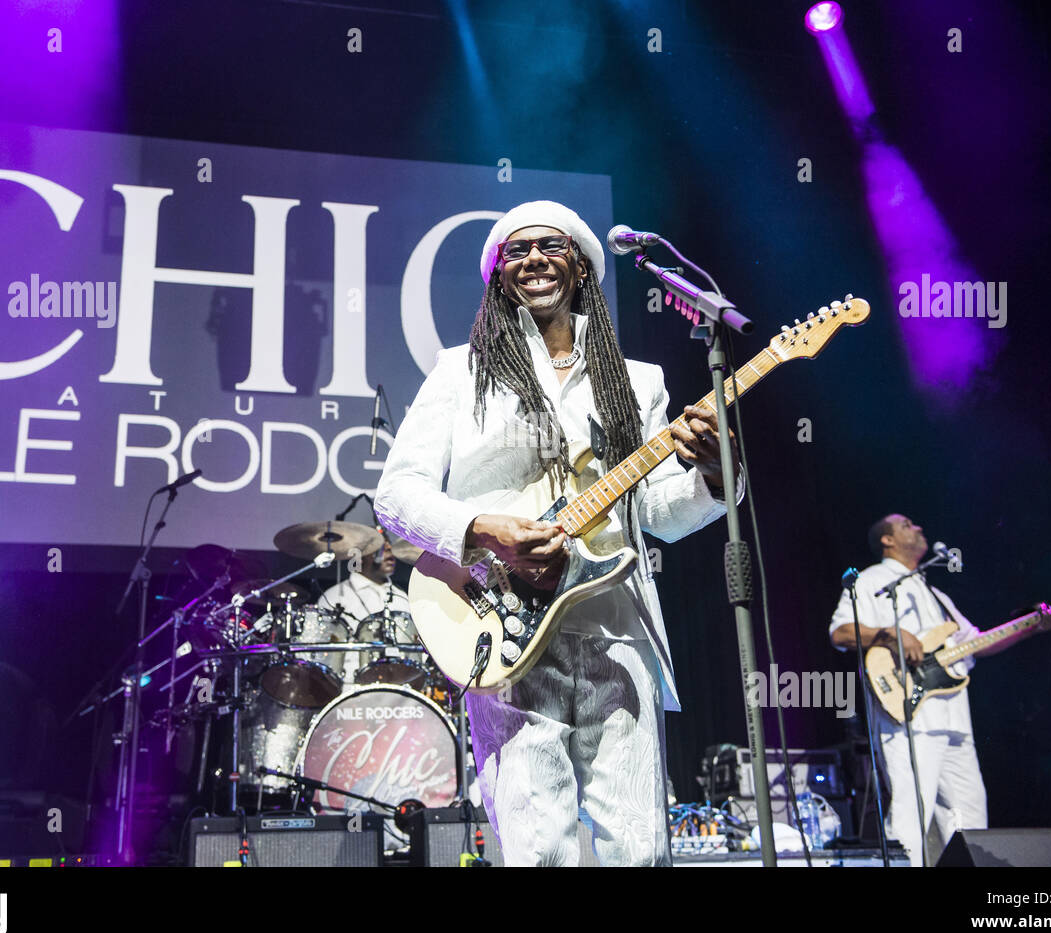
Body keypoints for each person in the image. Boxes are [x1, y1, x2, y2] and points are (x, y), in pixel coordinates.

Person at [375, 200, 740, 866]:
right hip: (502, 629)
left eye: (552, 245)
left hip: (616, 627)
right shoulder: (460, 372)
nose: (535, 257)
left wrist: (715, 477)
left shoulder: (637, 382)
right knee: (536, 848)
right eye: (517, 250)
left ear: (580, 266)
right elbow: (396, 496)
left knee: (640, 846)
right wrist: (485, 529)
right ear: (497, 275)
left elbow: (652, 514)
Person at [828, 513, 987, 866]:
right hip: (908, 716)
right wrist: (891, 633)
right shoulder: (873, 580)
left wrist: (1028, 625)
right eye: (906, 525)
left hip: (956, 720)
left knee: (969, 816)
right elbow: (840, 633)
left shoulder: (936, 593)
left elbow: (976, 642)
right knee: (910, 816)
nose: (918, 527)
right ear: (887, 540)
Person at [317, 534, 410, 687]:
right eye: (382, 550)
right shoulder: (335, 597)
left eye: (390, 549)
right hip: (349, 689)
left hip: (399, 689)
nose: (391, 554)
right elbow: (321, 655)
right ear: (361, 555)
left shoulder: (402, 597)